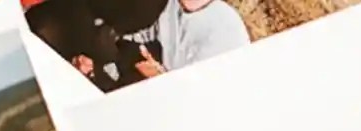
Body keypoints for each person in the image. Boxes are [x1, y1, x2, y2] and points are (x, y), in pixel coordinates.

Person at [82, 0, 250, 83]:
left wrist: (161, 77)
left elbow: (202, 96)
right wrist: (104, 53)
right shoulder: (170, 6)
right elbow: (144, 33)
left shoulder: (225, 29)